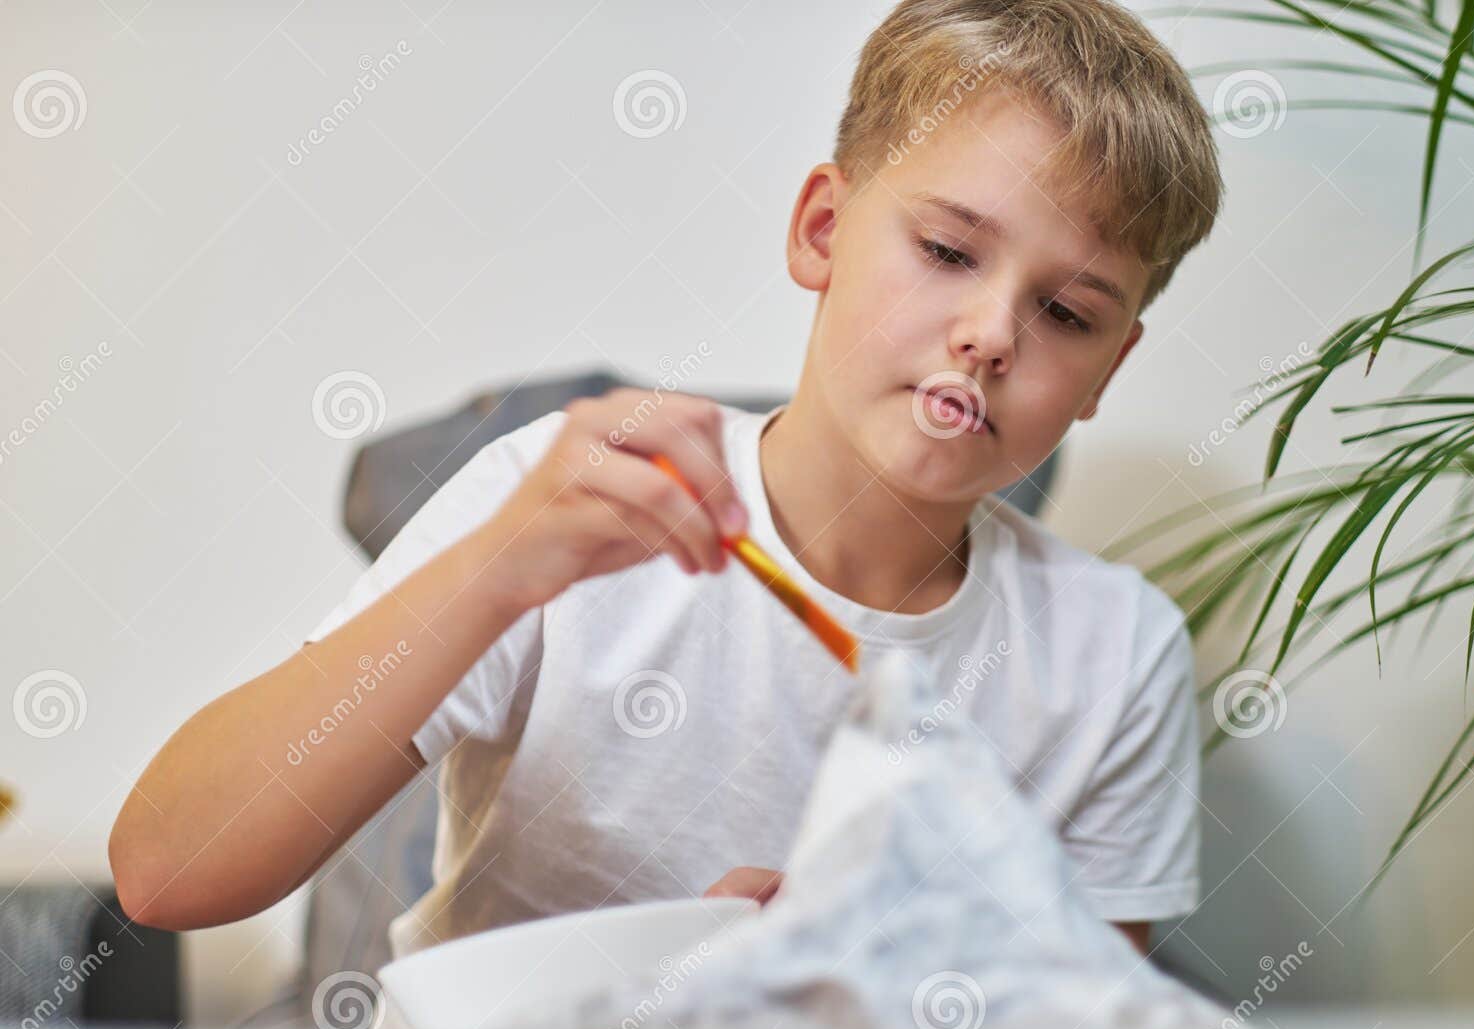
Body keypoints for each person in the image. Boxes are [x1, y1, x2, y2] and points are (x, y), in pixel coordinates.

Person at [110, 0, 1225, 961]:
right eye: (945, 252)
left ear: (1106, 368)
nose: (990, 334)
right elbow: (169, 873)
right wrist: (496, 570)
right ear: (822, 230)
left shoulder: (1112, 651)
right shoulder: (558, 507)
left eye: (1067, 313)